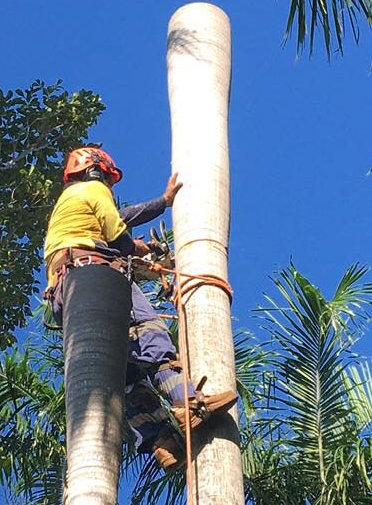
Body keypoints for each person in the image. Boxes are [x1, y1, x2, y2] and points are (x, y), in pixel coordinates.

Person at [44, 144, 236, 468]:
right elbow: (118, 235)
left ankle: (160, 440)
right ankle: (188, 403)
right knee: (150, 336)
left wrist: (162, 204)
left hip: (68, 294)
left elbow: (121, 218)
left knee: (127, 371)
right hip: (98, 276)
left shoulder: (69, 207)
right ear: (98, 170)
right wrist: (140, 249)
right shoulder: (94, 190)